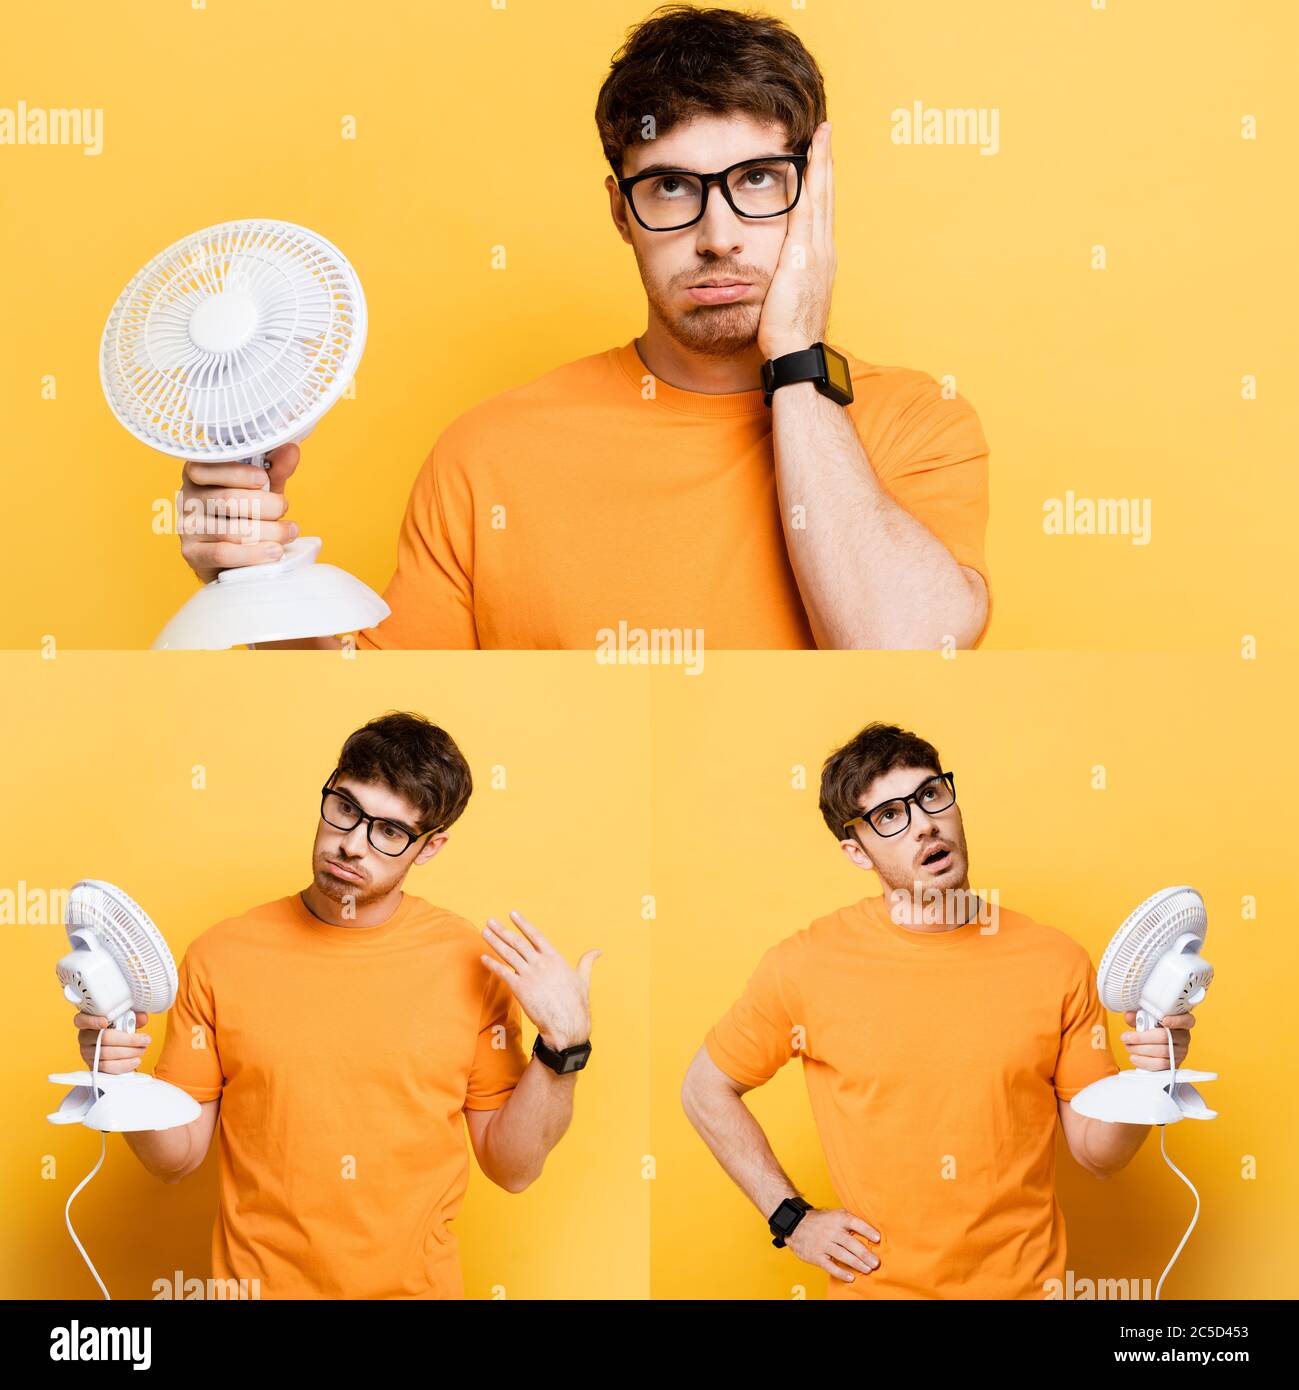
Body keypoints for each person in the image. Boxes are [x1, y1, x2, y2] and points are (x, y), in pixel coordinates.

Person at [175, 5, 990, 651]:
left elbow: (902, 658)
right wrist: (257, 581)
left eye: (757, 181)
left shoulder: (917, 423)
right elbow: (387, 723)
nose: (717, 234)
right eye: (672, 187)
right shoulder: (486, 453)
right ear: (619, 211)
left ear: (814, 198)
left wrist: (797, 361)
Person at [71, 711, 599, 1299]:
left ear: (430, 847)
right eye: (345, 808)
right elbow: (176, 1157)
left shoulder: (472, 965)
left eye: (390, 832)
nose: (352, 843)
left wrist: (564, 1045)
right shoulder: (219, 955)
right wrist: (113, 1081)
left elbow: (513, 1167)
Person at [682, 722, 1195, 1299]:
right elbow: (704, 1088)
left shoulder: (1057, 961)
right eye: (889, 817)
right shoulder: (804, 965)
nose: (923, 822)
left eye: (930, 795)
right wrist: (790, 1218)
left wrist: (1156, 1082)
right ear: (857, 851)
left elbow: (1098, 1154)